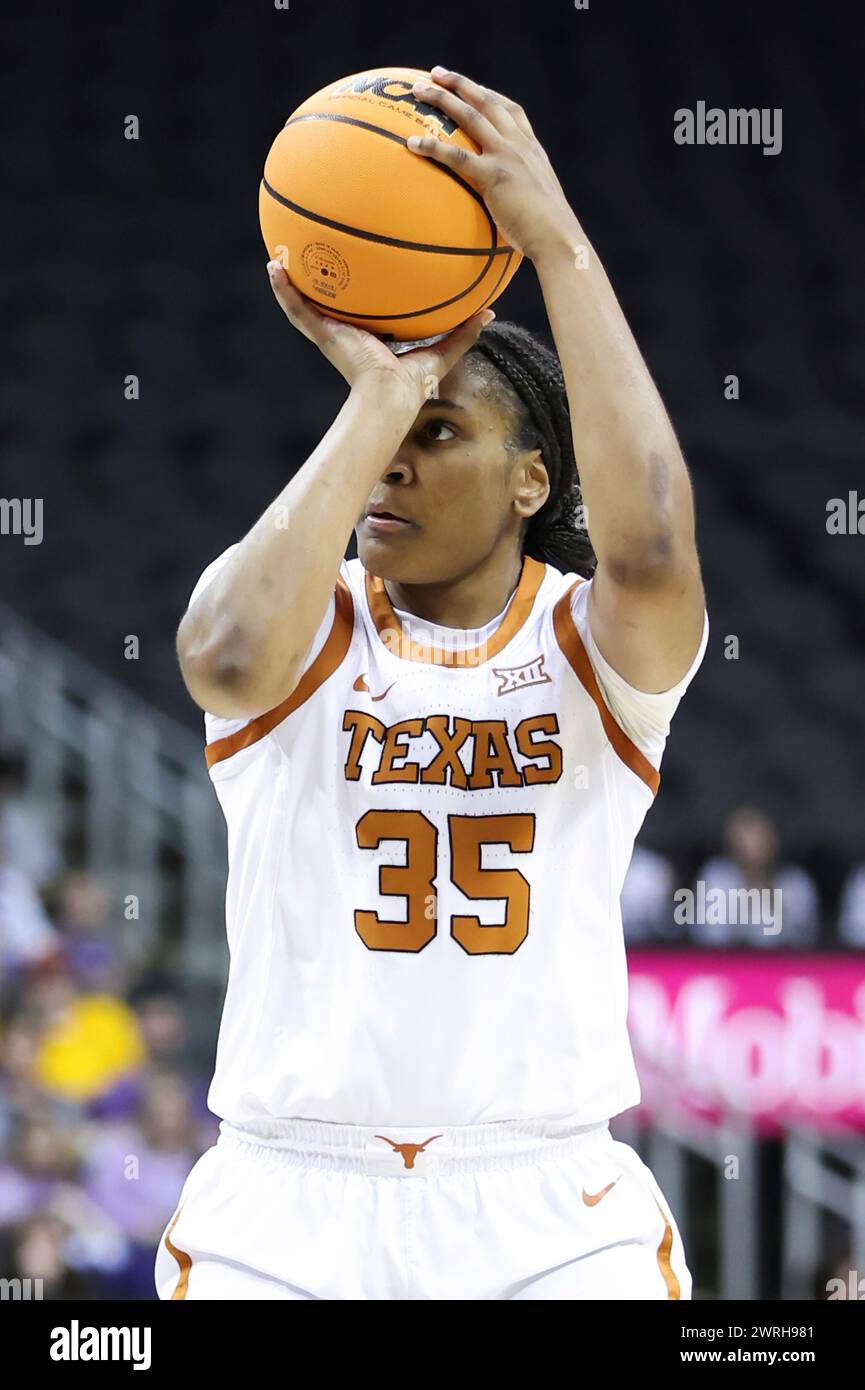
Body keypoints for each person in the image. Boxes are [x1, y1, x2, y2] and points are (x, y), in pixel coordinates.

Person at [158, 67, 707, 1301]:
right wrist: (391, 386)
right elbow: (225, 658)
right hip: (284, 1199)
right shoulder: (302, 622)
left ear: (529, 484)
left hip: (546, 1204)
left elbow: (656, 545)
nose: (389, 470)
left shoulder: (593, 649)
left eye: (440, 438)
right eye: (381, 445)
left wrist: (557, 243)